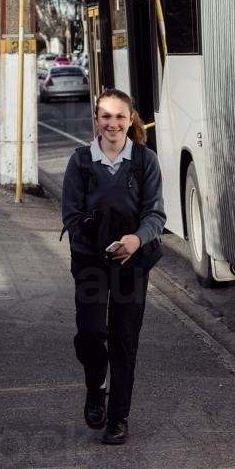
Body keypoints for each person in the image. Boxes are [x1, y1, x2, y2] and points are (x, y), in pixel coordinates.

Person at [61, 89, 166, 445]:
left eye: (120, 116)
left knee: (123, 339)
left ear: (131, 119)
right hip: (90, 261)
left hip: (133, 262)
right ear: (96, 119)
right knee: (90, 332)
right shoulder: (80, 161)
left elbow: (155, 213)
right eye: (105, 116)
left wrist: (135, 241)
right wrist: (95, 242)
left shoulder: (145, 160)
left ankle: (118, 418)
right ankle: (95, 386)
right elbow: (71, 213)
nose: (113, 123)